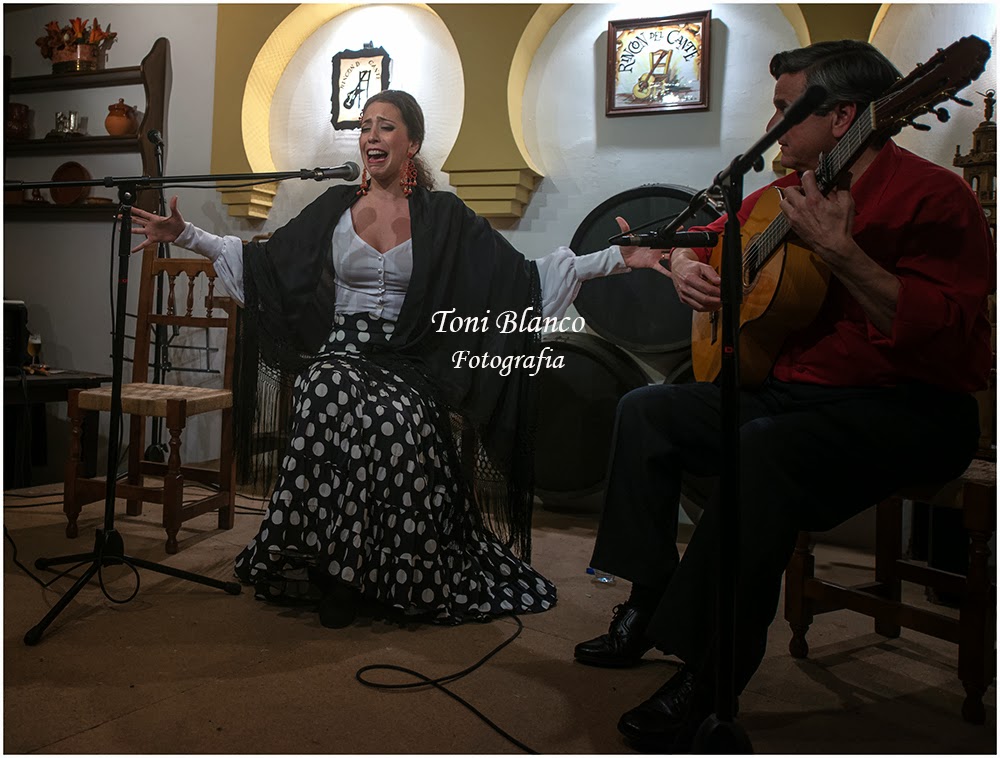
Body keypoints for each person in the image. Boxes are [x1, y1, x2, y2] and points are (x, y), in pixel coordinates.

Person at [573, 40, 993, 751]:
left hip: (911, 406)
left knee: (758, 447)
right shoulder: (775, 198)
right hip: (793, 397)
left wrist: (845, 255)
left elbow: (954, 341)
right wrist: (682, 269)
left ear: (843, 118)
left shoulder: (934, 195)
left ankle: (709, 681)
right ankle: (646, 603)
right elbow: (697, 244)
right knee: (646, 410)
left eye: (783, 111)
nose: (771, 129)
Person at [129, 89, 668, 628]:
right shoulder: (333, 208)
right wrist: (188, 235)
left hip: (408, 365)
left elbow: (524, 277)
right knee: (327, 385)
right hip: (340, 353)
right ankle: (331, 568)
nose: (370, 136)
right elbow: (261, 263)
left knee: (392, 418)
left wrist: (620, 257)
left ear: (412, 143)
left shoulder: (443, 217)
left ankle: (379, 571)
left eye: (385, 126)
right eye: (364, 126)